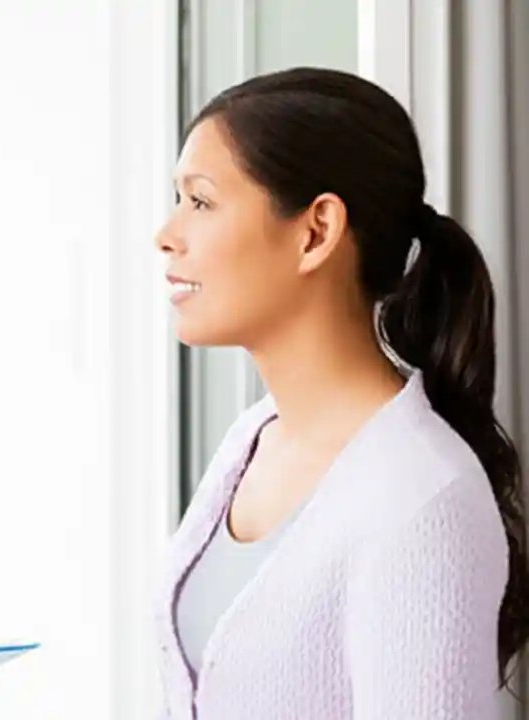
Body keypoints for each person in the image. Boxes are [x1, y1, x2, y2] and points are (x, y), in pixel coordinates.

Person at [152, 67, 529, 719]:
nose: (167, 233)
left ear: (316, 231)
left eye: (201, 202)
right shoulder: (251, 440)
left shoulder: (422, 499)